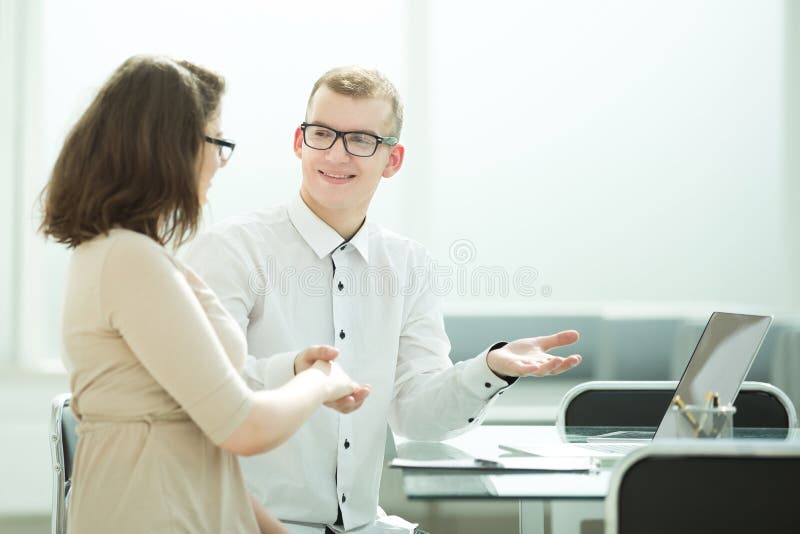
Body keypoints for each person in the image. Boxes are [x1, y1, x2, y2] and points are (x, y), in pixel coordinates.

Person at [183, 65, 582, 533]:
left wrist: (490, 368)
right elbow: (208, 390)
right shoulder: (232, 249)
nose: (336, 153)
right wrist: (298, 372)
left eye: (361, 140)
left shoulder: (408, 265)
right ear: (299, 141)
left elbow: (417, 413)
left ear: (392, 160)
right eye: (322, 134)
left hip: (363, 526)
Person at [39, 55, 369, 534]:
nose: (219, 161)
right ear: (170, 149)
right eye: (216, 142)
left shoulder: (133, 256)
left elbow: (200, 445)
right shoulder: (129, 262)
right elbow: (244, 428)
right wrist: (320, 381)